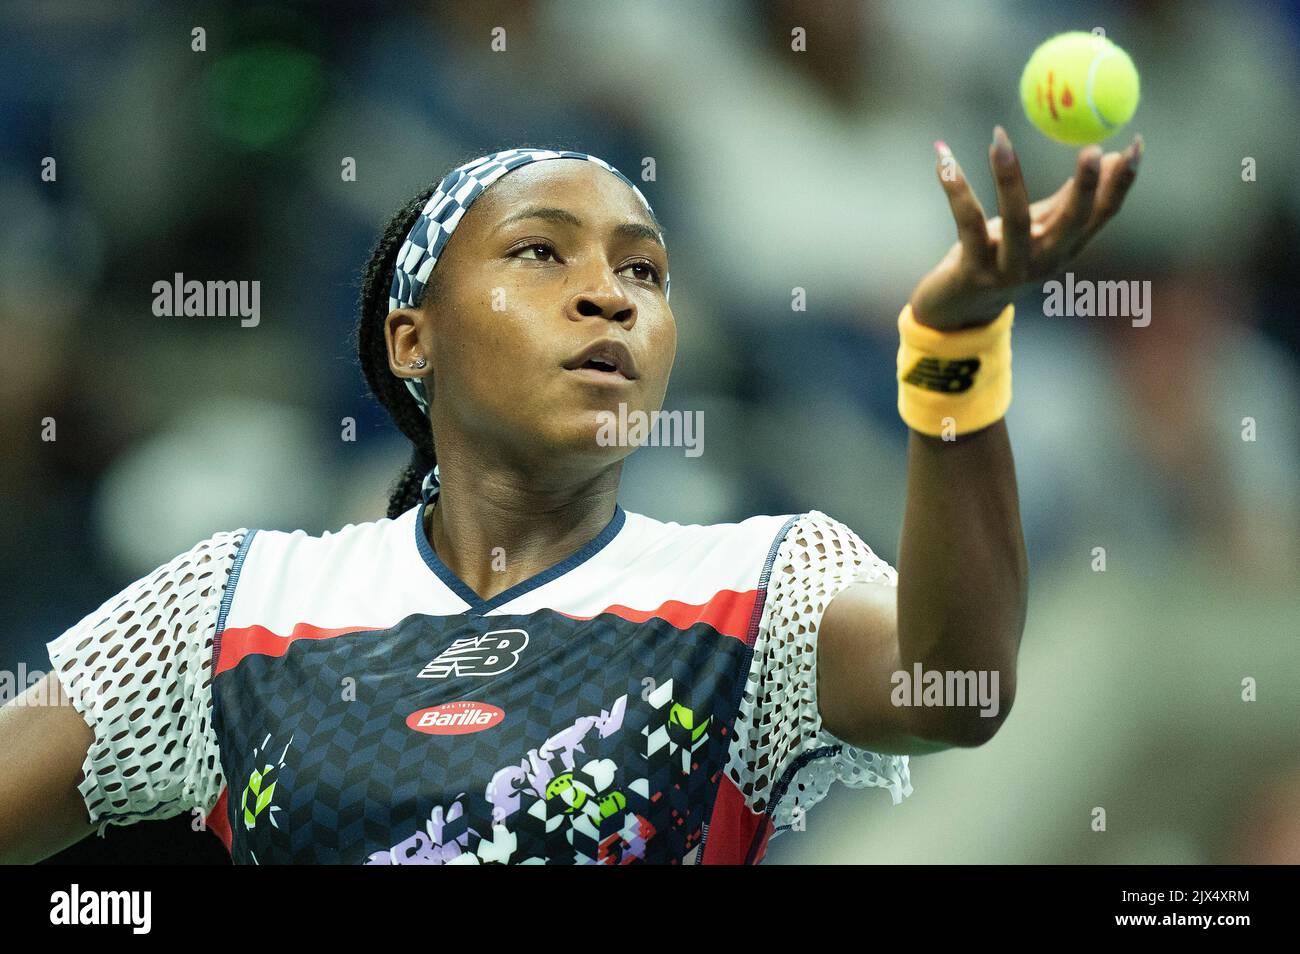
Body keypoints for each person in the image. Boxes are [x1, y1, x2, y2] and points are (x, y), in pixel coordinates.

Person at [0, 133, 1140, 864]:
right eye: (541, 254)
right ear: (414, 339)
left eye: (642, 270)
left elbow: (960, 689)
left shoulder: (754, 589)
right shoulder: (236, 603)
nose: (609, 297)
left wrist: (951, 348)